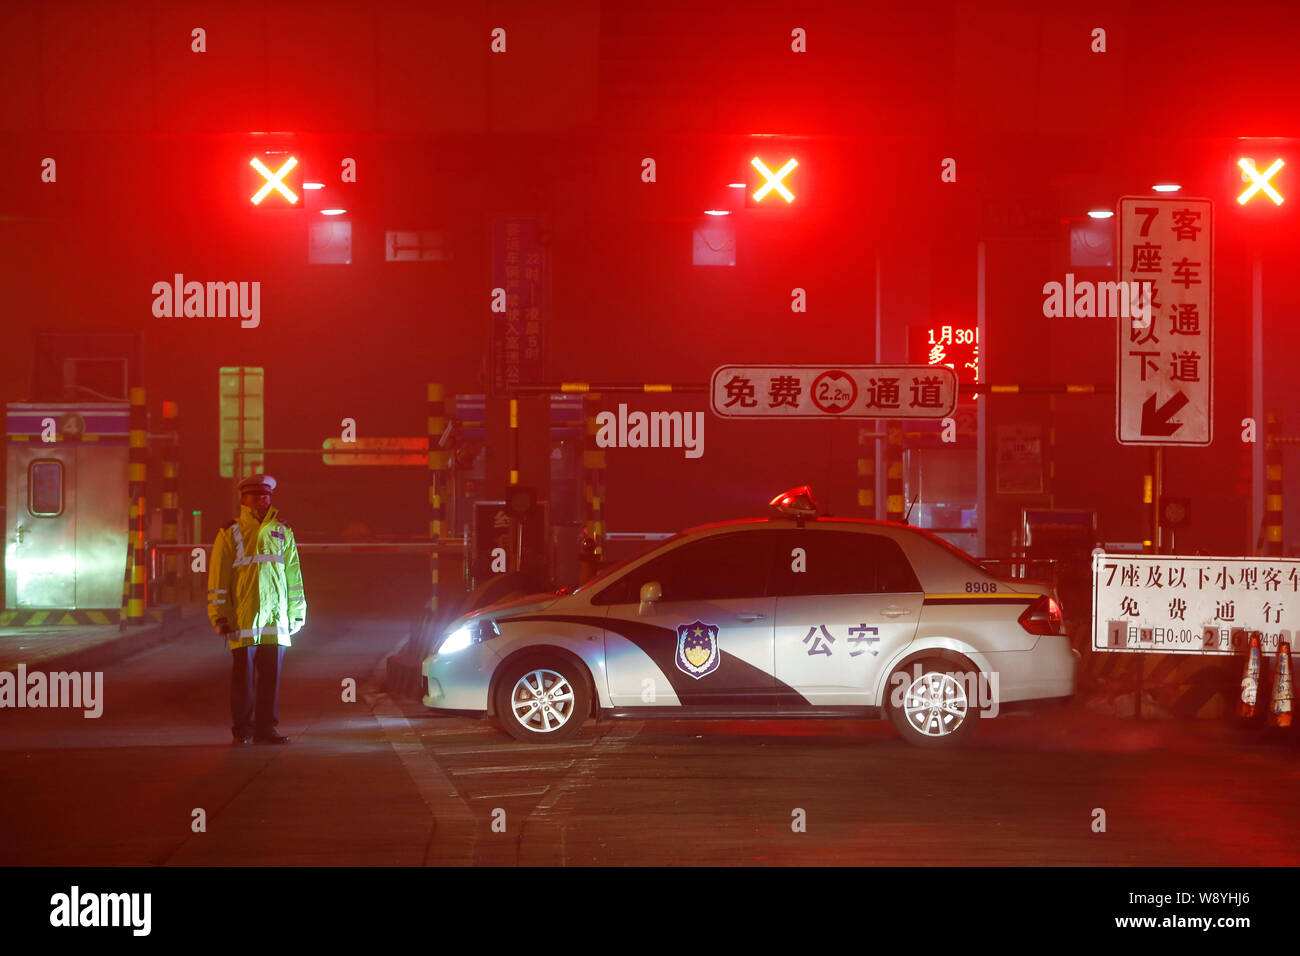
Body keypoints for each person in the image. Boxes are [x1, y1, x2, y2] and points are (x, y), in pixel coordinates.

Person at [207, 474, 306, 745]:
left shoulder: (283, 531)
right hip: (242, 619)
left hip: (276, 619)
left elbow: (293, 576)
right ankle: (242, 730)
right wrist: (219, 616)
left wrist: (297, 612)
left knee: (270, 679)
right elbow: (218, 578)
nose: (263, 499)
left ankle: (265, 728)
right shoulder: (230, 532)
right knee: (243, 679)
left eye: (266, 495)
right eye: (256, 495)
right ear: (243, 499)